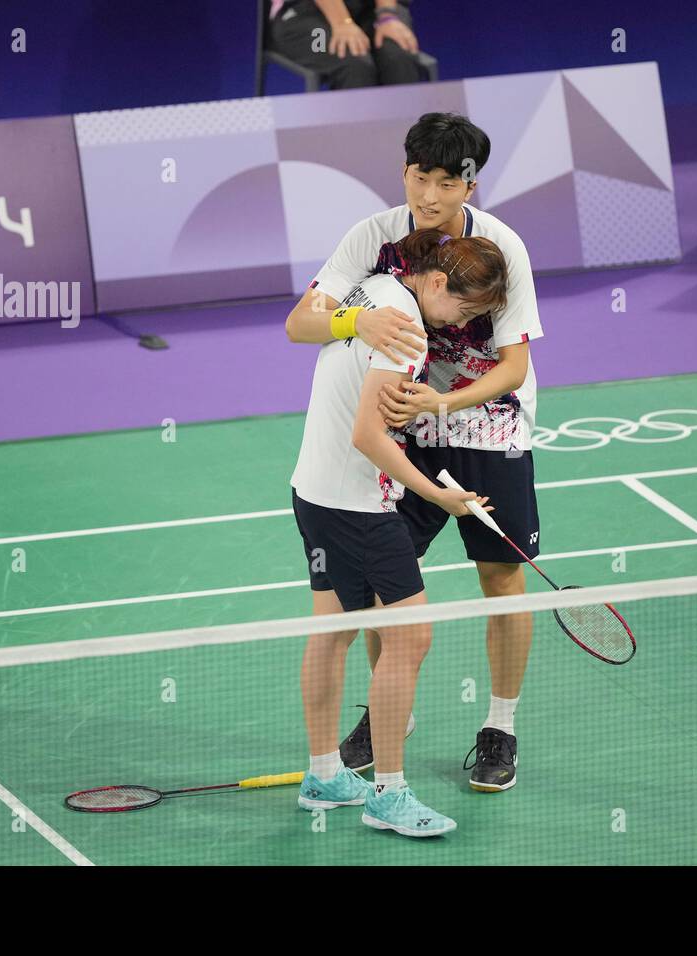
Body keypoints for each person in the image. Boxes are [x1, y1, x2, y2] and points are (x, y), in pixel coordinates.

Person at [285, 112, 544, 793]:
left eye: (447, 182)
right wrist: (355, 318)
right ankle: (386, 717)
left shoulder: (501, 248)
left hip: (489, 430)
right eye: (419, 177)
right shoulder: (370, 238)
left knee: (500, 580)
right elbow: (299, 323)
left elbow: (513, 368)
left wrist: (445, 402)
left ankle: (501, 727)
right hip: (408, 434)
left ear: (470, 185)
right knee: (382, 589)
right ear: (405, 173)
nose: (430, 196)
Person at [292, 228, 507, 837]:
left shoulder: (376, 289)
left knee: (331, 634)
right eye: (462, 310)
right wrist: (440, 495)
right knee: (410, 640)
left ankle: (324, 774)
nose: (459, 324)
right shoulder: (406, 331)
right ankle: (388, 793)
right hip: (357, 505)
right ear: (436, 282)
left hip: (313, 488)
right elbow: (369, 435)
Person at [268, 0, 423, 90]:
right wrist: (342, 22)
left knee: (398, 55)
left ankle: (409, 139)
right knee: (353, 62)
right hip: (304, 14)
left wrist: (387, 15)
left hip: (372, 7)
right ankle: (355, 142)